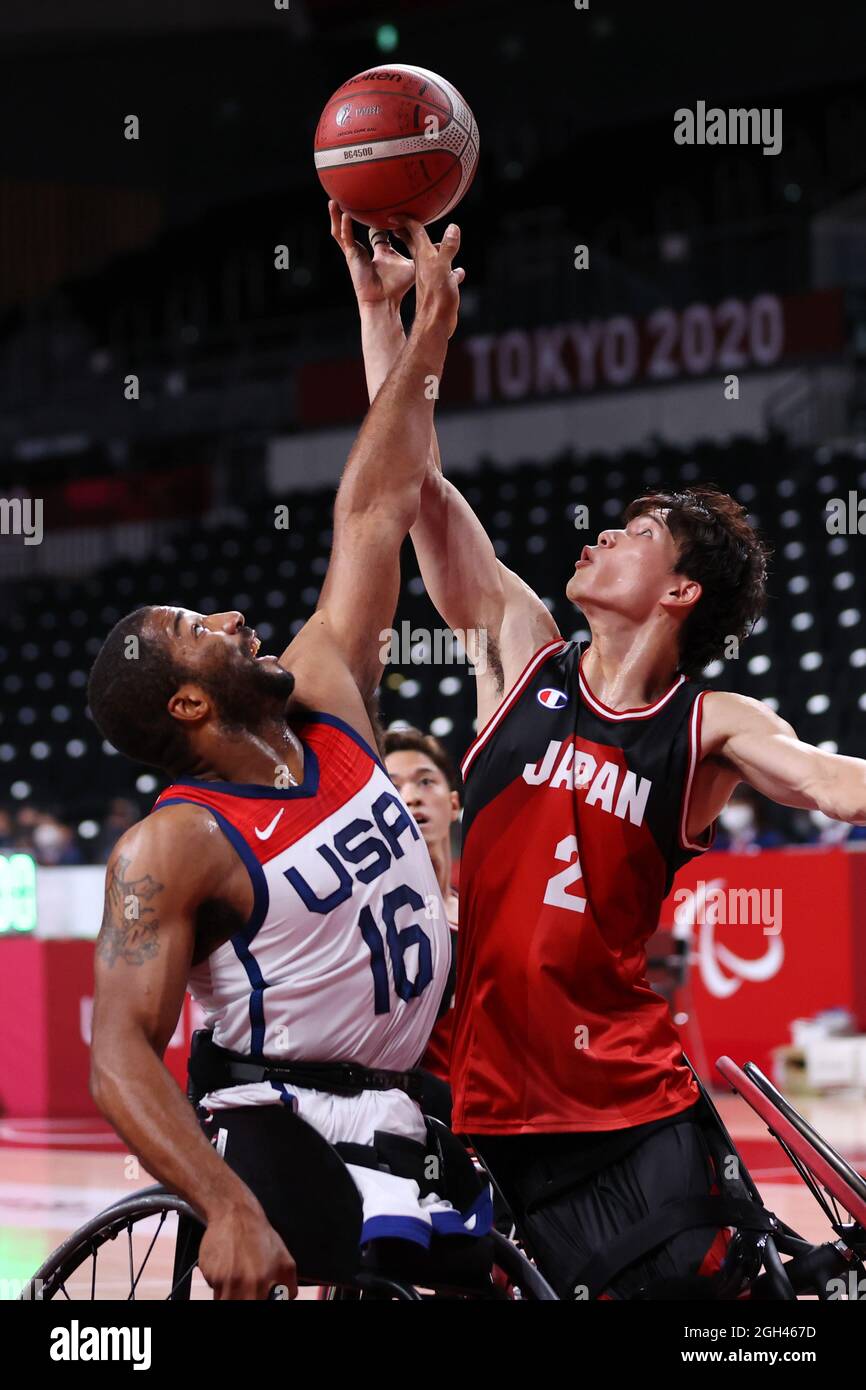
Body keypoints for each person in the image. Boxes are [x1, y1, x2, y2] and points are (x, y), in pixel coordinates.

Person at [335, 205, 866, 1299]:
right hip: (483, 1097)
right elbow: (415, 487)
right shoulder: (522, 652)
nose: (596, 536)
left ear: (678, 591)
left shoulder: (705, 724)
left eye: (629, 535)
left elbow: (826, 781)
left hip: (630, 1108)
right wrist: (381, 313)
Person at [85, 220, 479, 1301]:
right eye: (194, 626)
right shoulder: (171, 846)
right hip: (284, 1116)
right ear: (187, 698)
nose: (228, 614)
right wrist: (222, 1203)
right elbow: (118, 1052)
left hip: (408, 1100)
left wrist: (422, 328)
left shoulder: (327, 694)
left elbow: (371, 506)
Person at [383, 727, 461, 1123]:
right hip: (422, 1122)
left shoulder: (487, 913)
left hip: (509, 1126)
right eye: (394, 786)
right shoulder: (374, 921)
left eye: (425, 781)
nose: (412, 795)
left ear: (454, 804)